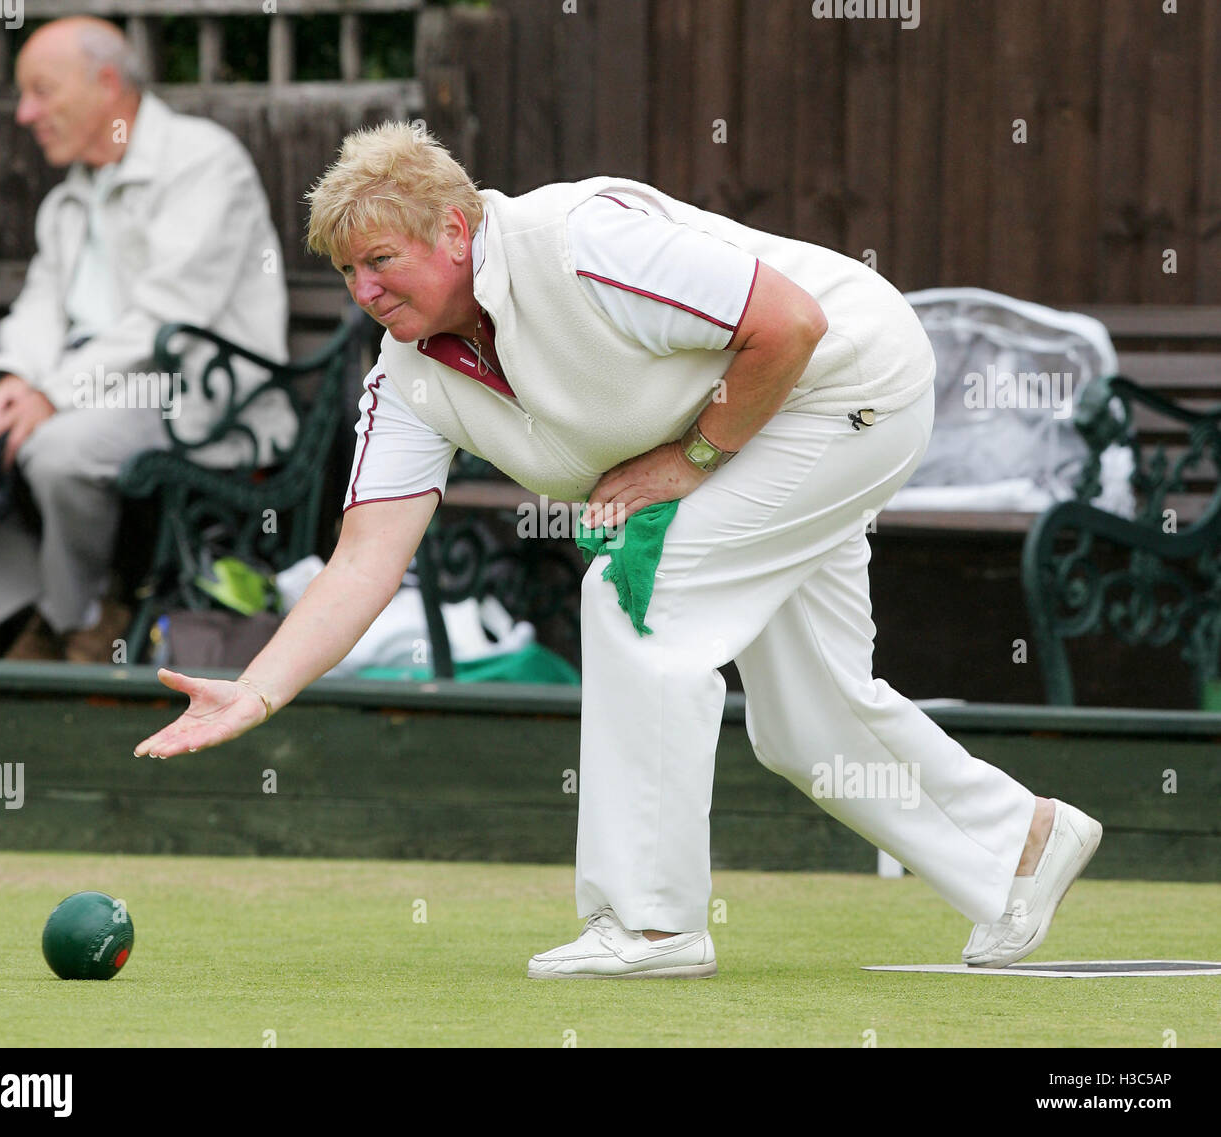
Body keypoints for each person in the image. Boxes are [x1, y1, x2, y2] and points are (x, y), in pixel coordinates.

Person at [134, 123, 1103, 979]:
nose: (365, 289)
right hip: (758, 432)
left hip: (845, 383)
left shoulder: (580, 242)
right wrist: (255, 688)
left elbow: (790, 325)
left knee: (637, 595)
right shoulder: (409, 373)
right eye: (347, 272)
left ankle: (648, 927)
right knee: (804, 724)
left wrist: (689, 460)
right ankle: (1018, 844)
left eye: (381, 259)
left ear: (456, 230)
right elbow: (363, 560)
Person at [0, 17, 292, 662]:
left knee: (59, 450)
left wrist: (53, 396)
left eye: (41, 91)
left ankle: (75, 616)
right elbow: (40, 304)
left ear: (107, 84)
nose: (24, 113)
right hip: (81, 389)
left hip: (190, 398)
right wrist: (17, 379)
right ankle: (40, 613)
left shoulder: (201, 161)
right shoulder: (73, 196)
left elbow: (169, 314)